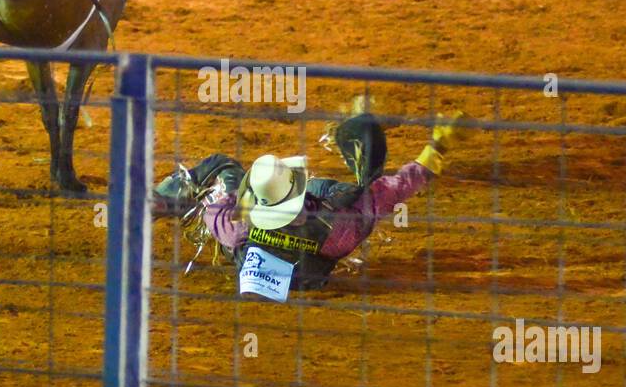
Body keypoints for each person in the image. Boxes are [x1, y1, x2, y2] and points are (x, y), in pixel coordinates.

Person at [152, 112, 463, 297]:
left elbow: (214, 210)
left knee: (221, 163)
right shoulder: (339, 228)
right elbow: (391, 190)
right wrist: (435, 149)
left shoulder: (237, 225)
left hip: (268, 265)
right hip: (308, 274)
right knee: (332, 189)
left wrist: (227, 197)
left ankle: (154, 203)